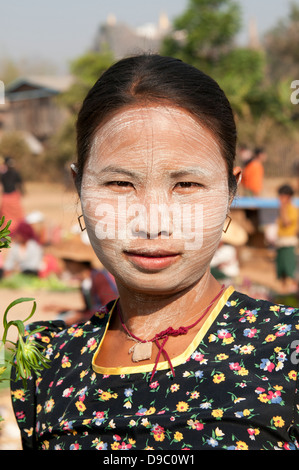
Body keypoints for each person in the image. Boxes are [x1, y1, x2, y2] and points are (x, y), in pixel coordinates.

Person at [11, 54, 298, 451]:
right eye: (118, 183)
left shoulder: (287, 348)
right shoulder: (45, 361)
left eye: (186, 185)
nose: (151, 222)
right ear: (78, 189)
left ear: (231, 193)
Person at [275, 184, 298, 293]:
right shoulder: (282, 209)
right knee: (281, 269)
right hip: (281, 242)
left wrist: (283, 208)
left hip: (289, 242)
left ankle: (290, 292)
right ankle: (283, 292)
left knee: (289, 268)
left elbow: (286, 222)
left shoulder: (293, 210)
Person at [0, 156, 24, 231]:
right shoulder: (15, 173)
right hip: (13, 196)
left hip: (7, 197)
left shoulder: (3, 175)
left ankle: (8, 229)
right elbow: (20, 184)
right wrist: (22, 192)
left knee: (6, 216)